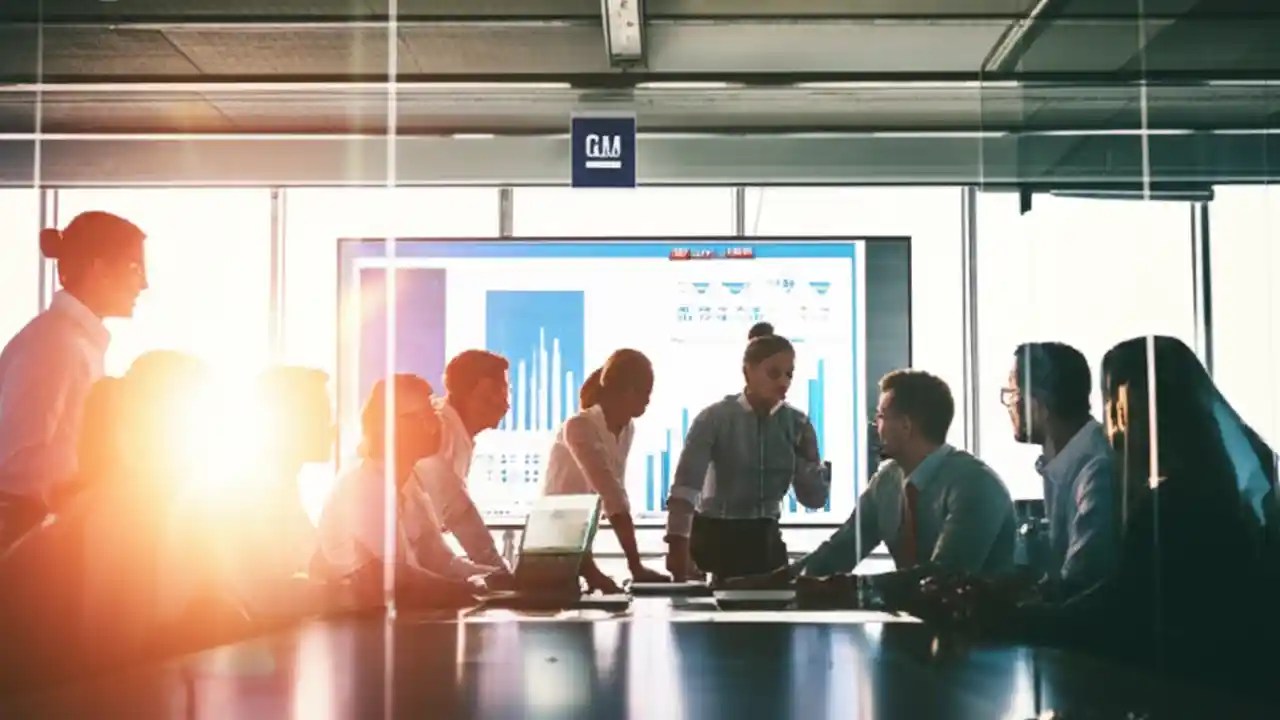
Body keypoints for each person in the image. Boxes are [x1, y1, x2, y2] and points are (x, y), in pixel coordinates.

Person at [783, 369, 1016, 579]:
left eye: (881, 416)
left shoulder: (975, 484)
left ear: (905, 425)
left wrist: (858, 587)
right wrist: (780, 580)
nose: (876, 425)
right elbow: (841, 549)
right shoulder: (886, 482)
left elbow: (945, 575)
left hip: (978, 622)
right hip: (910, 622)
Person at [0, 211, 147, 544]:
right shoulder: (54, 344)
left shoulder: (73, 342)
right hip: (31, 535)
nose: (144, 283)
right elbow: (18, 464)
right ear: (99, 269)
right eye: (135, 268)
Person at [664, 322, 831, 581]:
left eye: (789, 374)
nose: (783, 382)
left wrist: (811, 466)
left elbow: (813, 500)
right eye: (773, 373)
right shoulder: (714, 418)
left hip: (766, 541)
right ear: (748, 372)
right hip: (714, 539)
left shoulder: (797, 423)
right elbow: (686, 488)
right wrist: (677, 548)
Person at [317, 374, 491, 608]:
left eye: (432, 413)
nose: (434, 425)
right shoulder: (363, 487)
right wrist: (469, 588)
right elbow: (399, 581)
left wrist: (495, 578)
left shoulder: (409, 486)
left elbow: (442, 562)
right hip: (363, 631)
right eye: (422, 416)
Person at [543, 350, 669, 591]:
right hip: (553, 543)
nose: (647, 400)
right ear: (623, 390)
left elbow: (613, 494)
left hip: (581, 540)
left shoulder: (627, 429)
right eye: (643, 391)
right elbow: (611, 495)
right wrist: (635, 567)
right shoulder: (579, 426)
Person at [1004, 342, 1117, 598]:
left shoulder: (1095, 470)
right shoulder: (1065, 464)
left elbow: (1080, 581)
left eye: (1013, 392)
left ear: (1038, 401)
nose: (1009, 405)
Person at [413, 350, 512, 574]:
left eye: (506, 390)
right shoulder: (438, 429)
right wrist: (498, 571)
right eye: (495, 390)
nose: (504, 403)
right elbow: (457, 510)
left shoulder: (456, 433)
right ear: (465, 393)